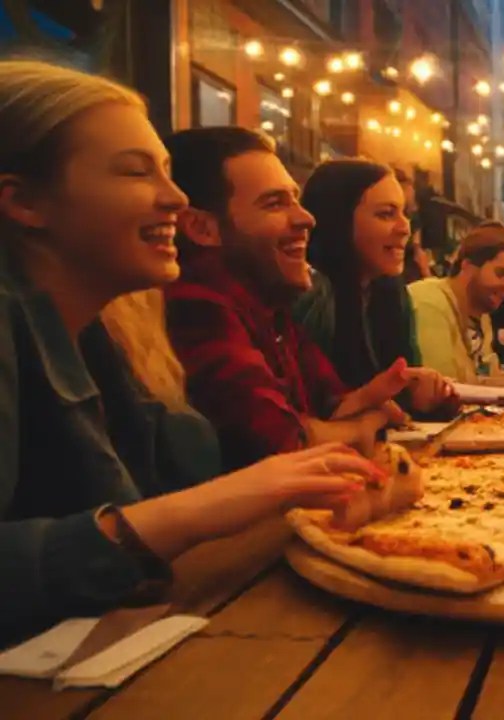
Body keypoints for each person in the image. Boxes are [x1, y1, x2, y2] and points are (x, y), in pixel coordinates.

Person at [0, 60, 387, 639]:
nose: (175, 197)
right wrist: (209, 505)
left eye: (168, 173)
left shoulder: (110, 335)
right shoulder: (193, 303)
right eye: (136, 173)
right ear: (25, 202)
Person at [164, 128, 409, 470]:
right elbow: (284, 443)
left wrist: (367, 402)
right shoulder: (197, 305)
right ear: (203, 228)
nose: (306, 218)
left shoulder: (267, 304)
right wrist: (363, 424)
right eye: (275, 203)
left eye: (295, 198)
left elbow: (330, 403)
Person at [293, 159, 456, 418]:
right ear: (338, 219)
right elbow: (298, 421)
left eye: (406, 214)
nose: (405, 228)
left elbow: (398, 402)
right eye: (386, 214)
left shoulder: (389, 292)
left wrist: (419, 392)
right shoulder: (310, 296)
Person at [408, 222, 504, 381]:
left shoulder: (481, 319)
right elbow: (441, 388)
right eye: (500, 273)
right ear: (467, 266)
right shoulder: (429, 303)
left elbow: (489, 379)